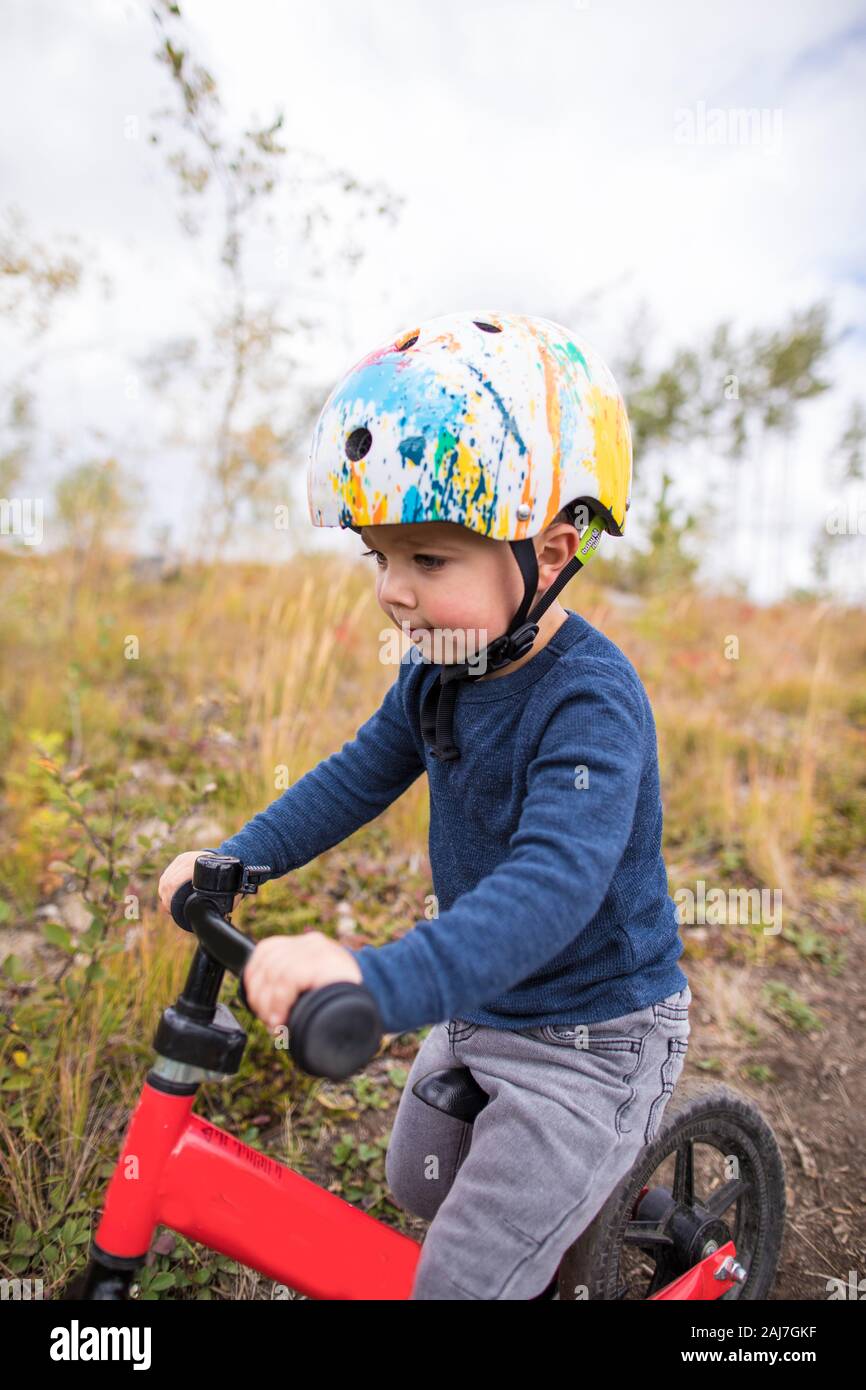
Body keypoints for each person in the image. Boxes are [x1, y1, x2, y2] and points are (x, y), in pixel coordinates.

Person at [158, 310, 691, 1301]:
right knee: (416, 1179)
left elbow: (552, 886)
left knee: (457, 1279)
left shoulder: (590, 699)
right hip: (484, 1003)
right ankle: (578, 1200)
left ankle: (600, 1174)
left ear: (552, 546)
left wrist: (371, 975)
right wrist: (234, 861)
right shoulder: (438, 668)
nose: (392, 594)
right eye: (378, 558)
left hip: (591, 1033)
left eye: (428, 560)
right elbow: (358, 772)